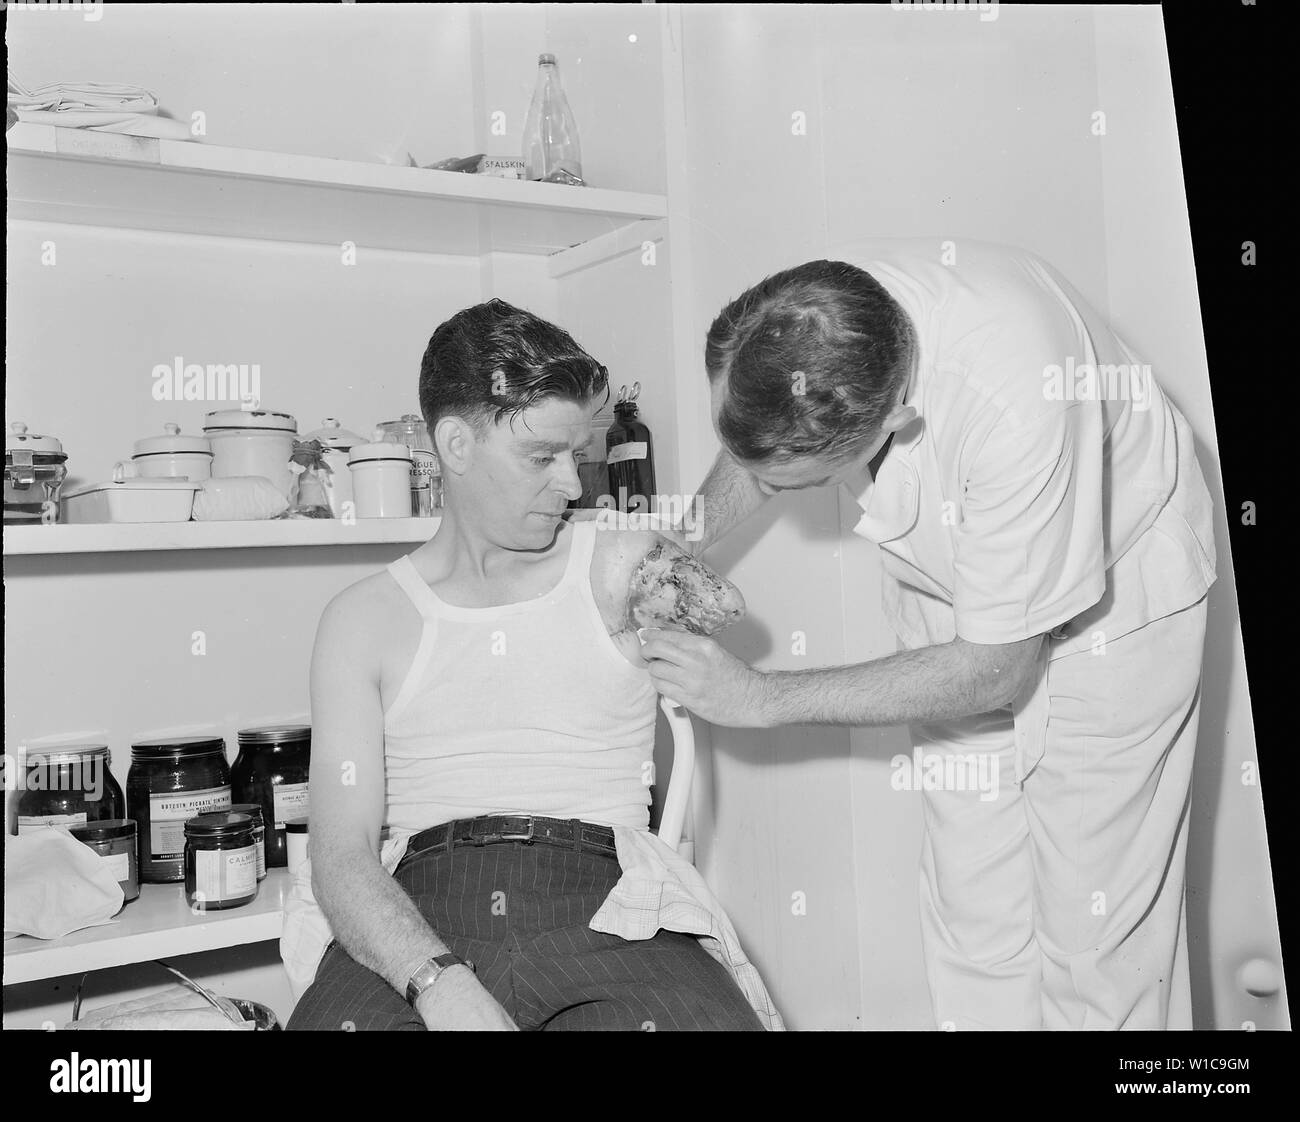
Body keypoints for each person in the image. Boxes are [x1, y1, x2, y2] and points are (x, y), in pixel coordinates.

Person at [641, 239, 1217, 1029]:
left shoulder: (1016, 393)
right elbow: (756, 451)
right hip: (960, 596)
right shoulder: (815, 319)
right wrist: (671, 546)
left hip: (1113, 602)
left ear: (896, 422)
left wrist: (757, 698)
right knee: (973, 903)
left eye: (787, 486)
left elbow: (995, 671)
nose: (768, 491)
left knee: (1097, 933)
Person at [283, 299, 780, 1031]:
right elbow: (341, 858)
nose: (574, 485)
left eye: (576, 455)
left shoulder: (616, 567)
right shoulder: (361, 619)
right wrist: (440, 986)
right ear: (454, 444)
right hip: (421, 902)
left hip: (610, 901)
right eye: (541, 456)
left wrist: (650, 549)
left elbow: (725, 597)